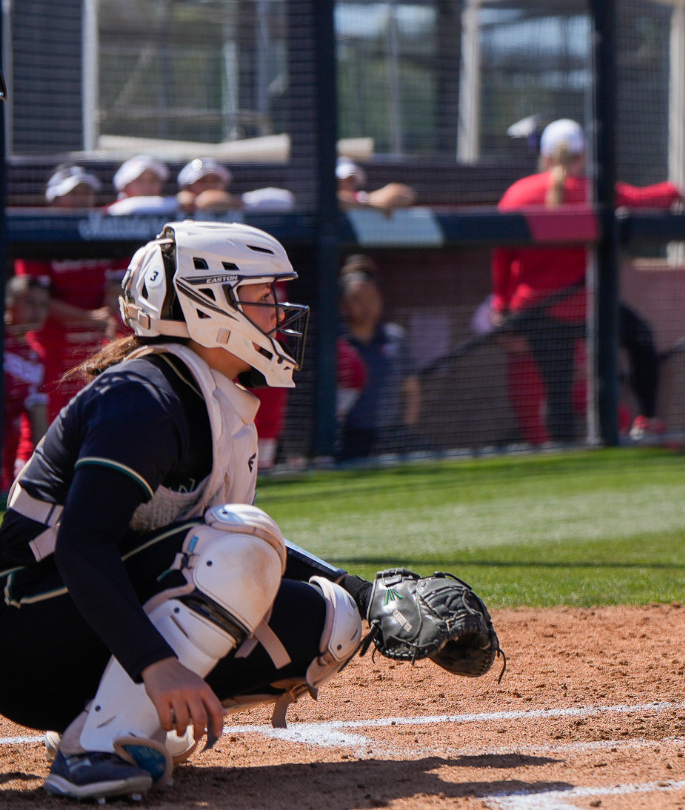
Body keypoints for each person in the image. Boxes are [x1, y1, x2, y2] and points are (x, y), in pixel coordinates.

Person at [0, 221, 500, 800]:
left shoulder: (207, 392)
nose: (278, 313)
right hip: (23, 627)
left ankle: (105, 716)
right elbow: (83, 545)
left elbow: (222, 544)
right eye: (263, 297)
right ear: (205, 301)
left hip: (69, 625)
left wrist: (363, 593)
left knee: (330, 619)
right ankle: (95, 752)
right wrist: (156, 663)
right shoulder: (141, 397)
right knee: (241, 547)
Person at [490, 119, 682, 445]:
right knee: (640, 339)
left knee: (557, 387)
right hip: (587, 306)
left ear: (545, 156)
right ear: (582, 154)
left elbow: (502, 257)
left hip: (538, 310)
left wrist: (501, 304)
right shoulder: (597, 189)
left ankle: (563, 454)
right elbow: (645, 199)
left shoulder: (517, 193)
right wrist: (675, 191)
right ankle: (648, 419)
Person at [17, 169, 123, 430]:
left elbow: (118, 287)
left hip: (99, 341)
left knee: (100, 414)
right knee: (52, 420)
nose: (81, 199)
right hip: (52, 345)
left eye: (86, 192)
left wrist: (106, 314)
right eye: (72, 193)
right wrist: (89, 318)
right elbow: (35, 301)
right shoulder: (38, 235)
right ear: (53, 201)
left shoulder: (109, 230)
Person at [334, 257, 412, 461]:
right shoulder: (333, 342)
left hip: (390, 437)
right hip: (346, 439)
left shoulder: (395, 337)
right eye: (358, 299)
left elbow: (412, 390)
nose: (367, 306)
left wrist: (405, 431)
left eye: (372, 298)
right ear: (343, 304)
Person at [4, 275, 51, 490]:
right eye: (30, 302)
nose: (38, 311)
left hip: (8, 456)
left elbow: (38, 418)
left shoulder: (37, 357)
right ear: (10, 303)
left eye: (43, 305)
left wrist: (44, 466)